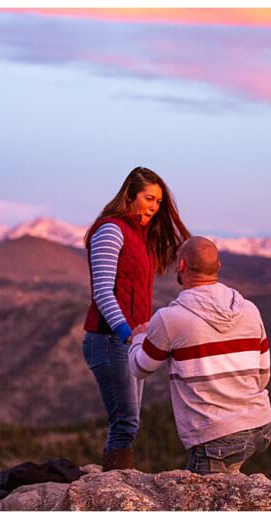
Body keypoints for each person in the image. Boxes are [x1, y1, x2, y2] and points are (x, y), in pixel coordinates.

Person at [128, 236, 271, 474]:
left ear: (182, 266)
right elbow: (263, 375)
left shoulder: (169, 318)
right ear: (218, 266)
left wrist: (138, 338)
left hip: (217, 437)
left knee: (201, 496)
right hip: (263, 425)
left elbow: (139, 368)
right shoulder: (250, 309)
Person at [83, 166, 190, 471]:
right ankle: (114, 484)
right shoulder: (110, 230)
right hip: (109, 339)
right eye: (149, 198)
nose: (154, 207)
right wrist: (127, 334)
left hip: (130, 341)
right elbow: (103, 292)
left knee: (129, 422)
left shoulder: (141, 236)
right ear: (129, 195)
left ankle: (114, 478)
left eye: (158, 202)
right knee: (126, 422)